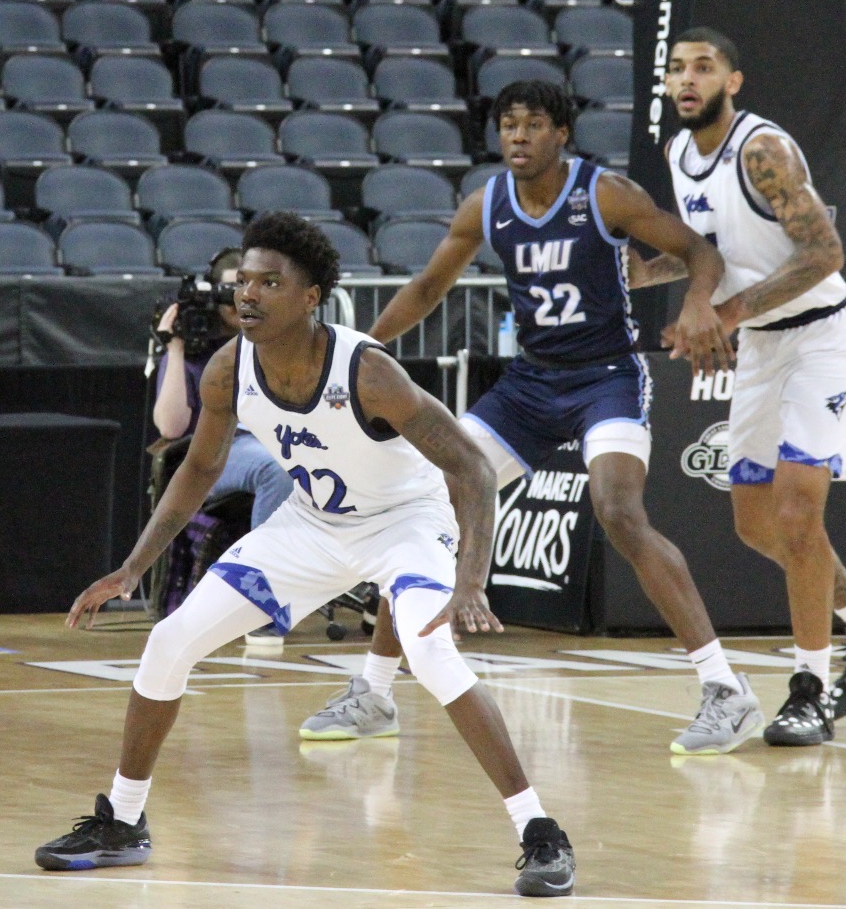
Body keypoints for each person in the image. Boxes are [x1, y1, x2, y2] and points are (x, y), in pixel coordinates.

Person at [34, 213, 578, 898]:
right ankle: (124, 821)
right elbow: (198, 469)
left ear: (311, 296)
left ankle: (539, 831)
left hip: (405, 522)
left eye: (269, 282)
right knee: (168, 641)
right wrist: (133, 566)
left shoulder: (368, 372)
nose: (248, 295)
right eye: (241, 282)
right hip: (312, 524)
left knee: (434, 652)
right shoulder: (230, 369)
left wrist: (470, 578)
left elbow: (470, 467)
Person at [308, 78, 758, 756]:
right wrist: (358, 349)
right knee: (425, 507)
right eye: (508, 125)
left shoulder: (604, 193)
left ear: (562, 134)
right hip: (527, 385)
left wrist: (698, 303)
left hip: (605, 377)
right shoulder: (485, 205)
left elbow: (703, 252)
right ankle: (373, 692)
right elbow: (429, 287)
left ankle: (725, 688)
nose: (517, 136)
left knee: (618, 510)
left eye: (533, 124)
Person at [648, 27, 846, 745]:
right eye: (677, 67)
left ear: (732, 81)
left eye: (703, 67)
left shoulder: (761, 150)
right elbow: (705, 252)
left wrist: (724, 313)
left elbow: (826, 250)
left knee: (800, 518)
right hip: (763, 346)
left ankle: (810, 686)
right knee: (753, 523)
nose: (687, 78)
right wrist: (629, 276)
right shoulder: (680, 152)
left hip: (822, 338)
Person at [154, 248, 295, 644]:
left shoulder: (277, 343)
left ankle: (382, 598)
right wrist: (175, 347)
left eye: (256, 285)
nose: (244, 296)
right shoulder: (199, 351)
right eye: (234, 286)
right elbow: (170, 425)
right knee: (276, 468)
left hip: (282, 440)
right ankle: (260, 604)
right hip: (218, 453)